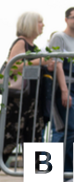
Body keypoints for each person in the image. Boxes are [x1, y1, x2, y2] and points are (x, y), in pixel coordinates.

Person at [4, 12, 60, 157]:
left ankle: (34, 175)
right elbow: (14, 65)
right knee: (10, 135)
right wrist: (41, 60)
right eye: (39, 22)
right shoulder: (21, 42)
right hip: (19, 99)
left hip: (31, 99)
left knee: (33, 136)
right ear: (30, 24)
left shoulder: (33, 46)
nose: (43, 25)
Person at [49, 7, 74, 180]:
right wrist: (64, 90)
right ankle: (50, 170)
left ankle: (67, 172)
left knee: (73, 131)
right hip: (63, 86)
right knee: (66, 128)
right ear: (66, 19)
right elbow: (57, 63)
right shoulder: (59, 37)